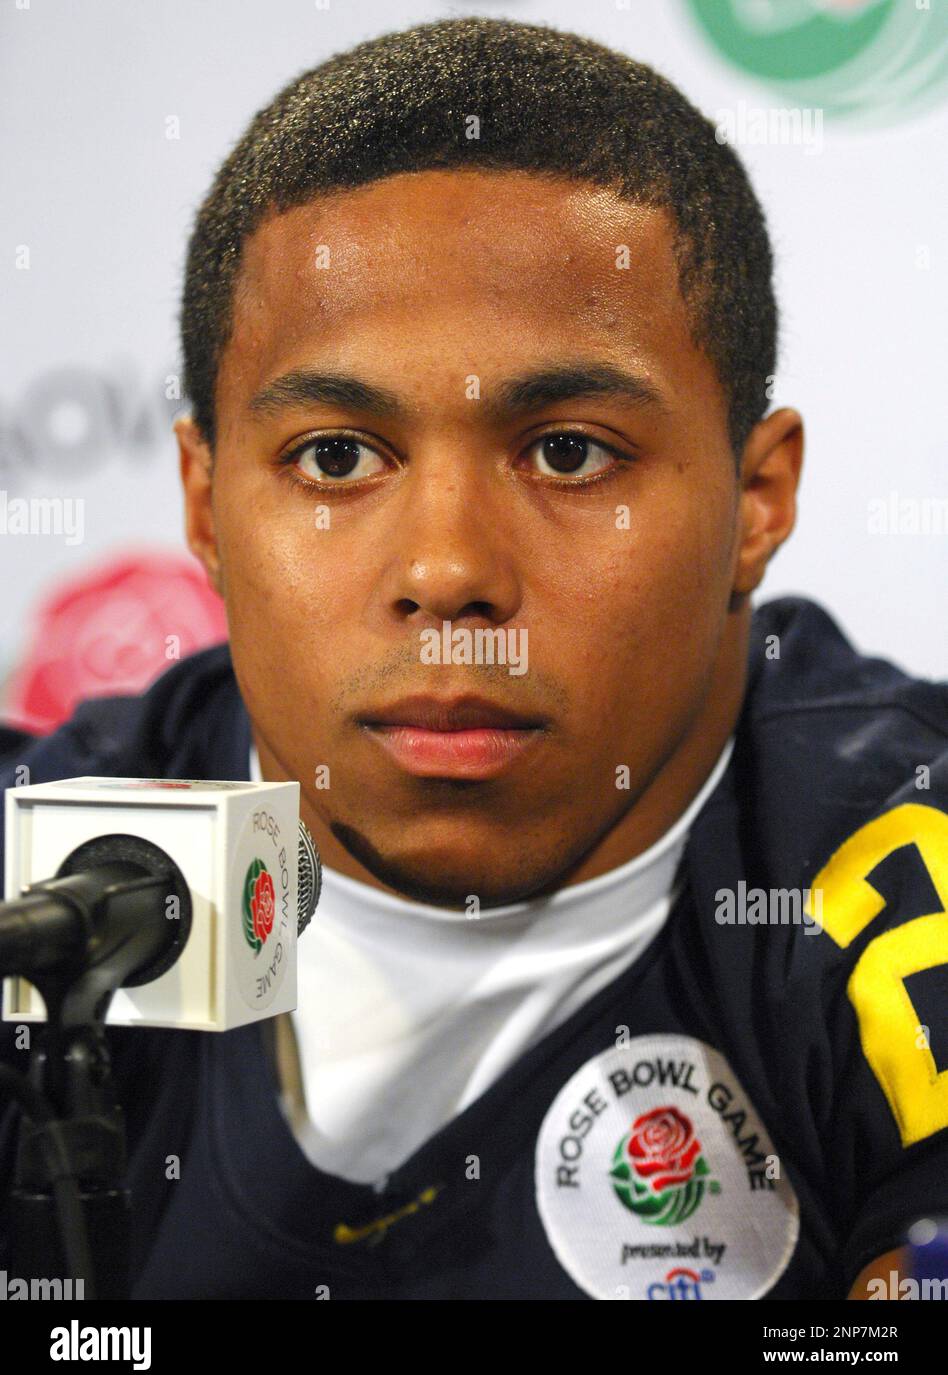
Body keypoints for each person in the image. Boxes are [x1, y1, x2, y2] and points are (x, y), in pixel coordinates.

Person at [0, 16, 945, 1301]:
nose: (447, 572)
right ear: (207, 508)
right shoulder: (43, 868)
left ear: (757, 500)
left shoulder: (893, 868)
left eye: (568, 452)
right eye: (337, 457)